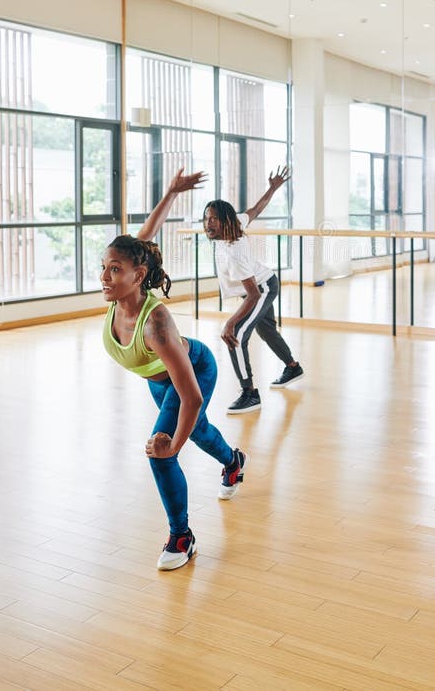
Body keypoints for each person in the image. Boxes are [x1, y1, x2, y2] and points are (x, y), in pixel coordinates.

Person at [101, 168, 248, 571]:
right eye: (105, 267)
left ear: (138, 276)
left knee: (162, 451)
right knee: (197, 429)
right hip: (160, 381)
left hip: (194, 370)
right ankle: (233, 461)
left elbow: (192, 397)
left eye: (115, 269)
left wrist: (172, 446)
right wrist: (170, 193)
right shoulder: (121, 293)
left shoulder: (156, 324)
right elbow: (141, 243)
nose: (105, 277)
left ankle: (182, 536)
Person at [203, 167, 304, 414]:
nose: (208, 224)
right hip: (259, 285)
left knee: (235, 335)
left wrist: (230, 322)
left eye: (213, 219)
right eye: (206, 219)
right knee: (266, 329)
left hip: (262, 288)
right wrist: (273, 188)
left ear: (225, 221)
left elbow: (254, 295)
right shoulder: (235, 224)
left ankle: (249, 393)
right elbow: (256, 209)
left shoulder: (234, 251)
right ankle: (292, 367)